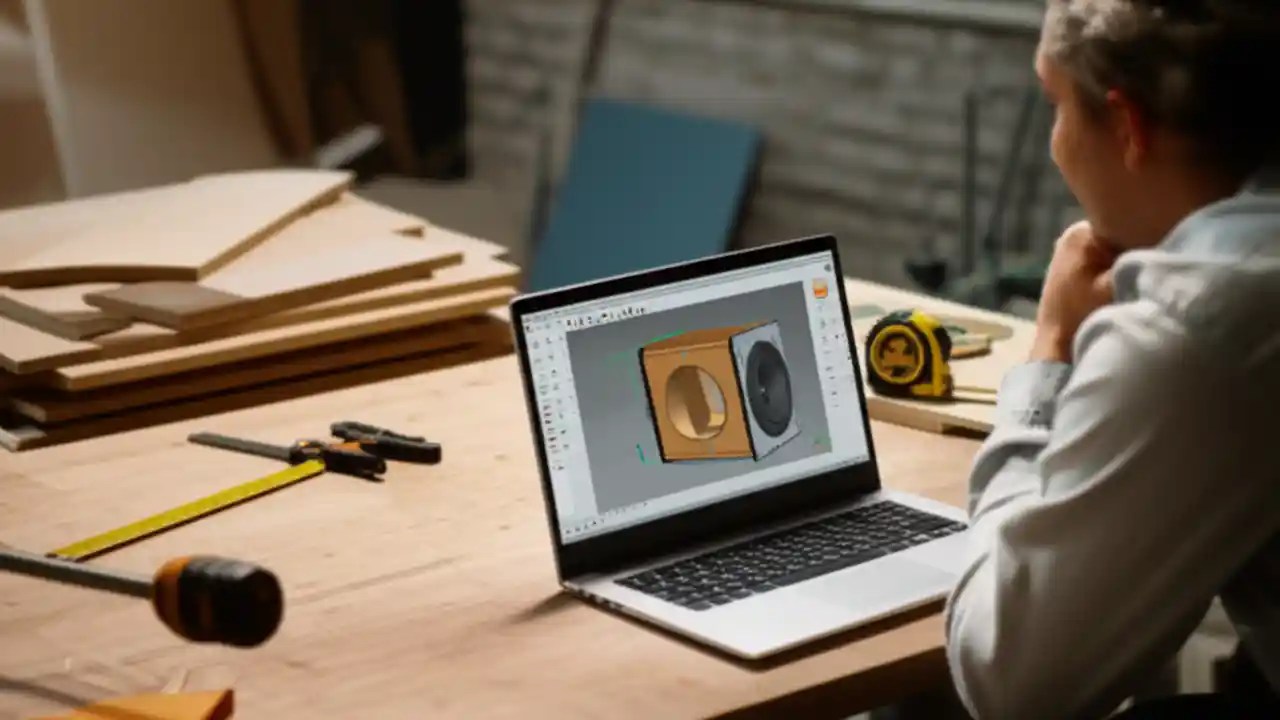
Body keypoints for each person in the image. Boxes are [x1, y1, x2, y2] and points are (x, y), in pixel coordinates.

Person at [943, 1, 1280, 718]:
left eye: (1055, 106)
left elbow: (1009, 679)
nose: (1055, 143)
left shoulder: (1201, 324)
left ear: (1128, 126)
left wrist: (1051, 350)